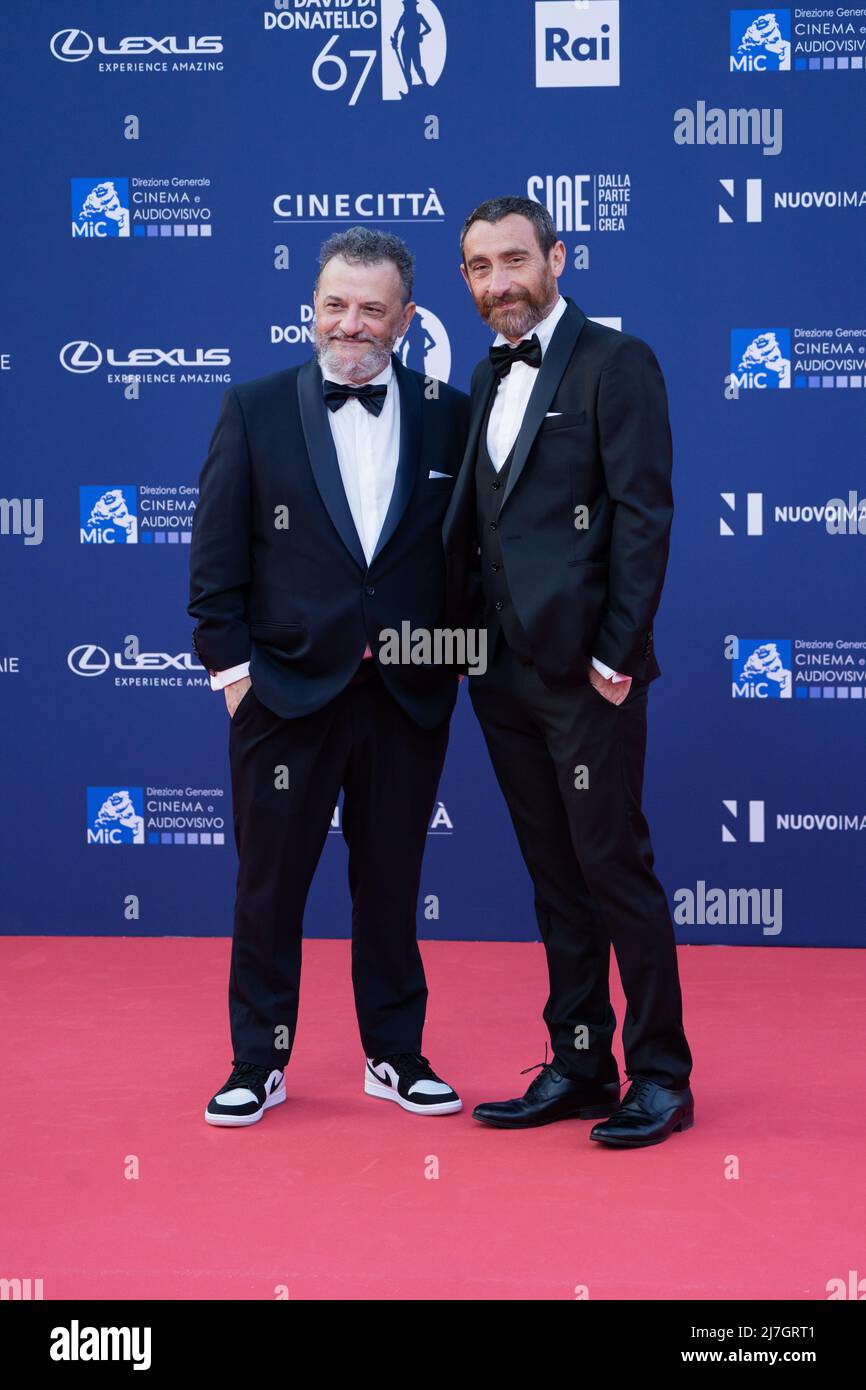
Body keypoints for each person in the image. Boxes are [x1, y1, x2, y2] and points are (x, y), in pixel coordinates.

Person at [189, 227, 469, 1126]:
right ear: (312, 310)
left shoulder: (448, 412)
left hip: (405, 695)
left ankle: (395, 1053)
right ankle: (257, 1060)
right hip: (282, 692)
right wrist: (235, 676)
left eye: (372, 309)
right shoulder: (254, 407)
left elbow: (469, 565)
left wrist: (449, 667)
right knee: (269, 885)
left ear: (407, 319)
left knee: (392, 879)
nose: (351, 324)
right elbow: (215, 562)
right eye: (334, 306)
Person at [443, 196, 694, 1148]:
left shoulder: (616, 364)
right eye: (478, 267)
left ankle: (662, 1075)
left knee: (612, 869)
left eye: (514, 259)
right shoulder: (485, 370)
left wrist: (615, 657)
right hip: (499, 674)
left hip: (588, 676)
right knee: (553, 875)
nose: (498, 282)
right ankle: (583, 1061)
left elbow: (643, 517)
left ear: (557, 256)